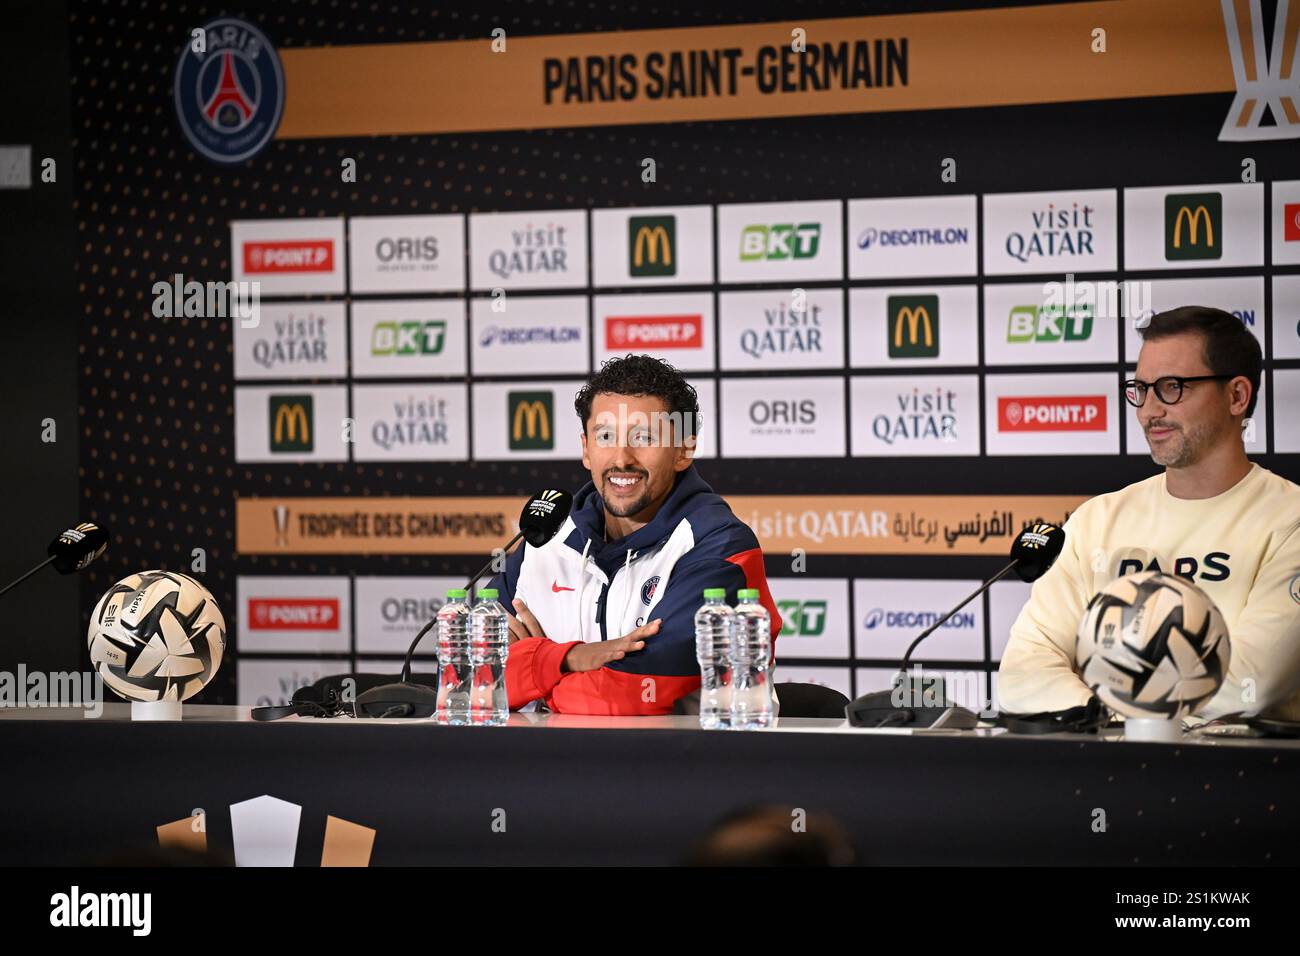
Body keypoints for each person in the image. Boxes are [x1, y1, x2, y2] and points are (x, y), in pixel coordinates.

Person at [999, 306, 1300, 720]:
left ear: (1237, 396)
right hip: (1101, 777)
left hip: (1240, 780)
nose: (1148, 411)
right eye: (1141, 389)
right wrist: (1098, 719)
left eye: (1172, 387)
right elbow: (1023, 670)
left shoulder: (1290, 521)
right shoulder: (1096, 521)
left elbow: (1248, 684)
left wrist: (1104, 716)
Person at [488, 354, 781, 715]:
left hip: (685, 766)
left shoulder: (720, 546)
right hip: (550, 767)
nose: (622, 458)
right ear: (585, 449)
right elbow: (472, 674)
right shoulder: (545, 538)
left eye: (644, 437)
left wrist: (535, 671)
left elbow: (631, 693)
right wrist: (571, 658)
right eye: (606, 436)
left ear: (684, 450)